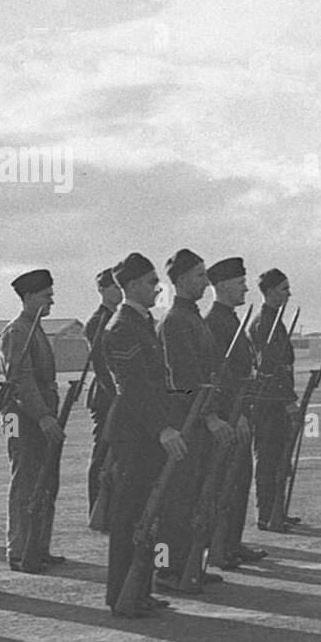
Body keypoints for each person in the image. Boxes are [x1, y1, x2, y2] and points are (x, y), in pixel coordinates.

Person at [101, 253, 186, 616]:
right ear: (133, 285)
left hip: (145, 432)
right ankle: (122, 594)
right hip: (134, 435)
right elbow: (134, 387)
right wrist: (162, 427)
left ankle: (141, 590)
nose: (158, 288)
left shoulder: (141, 321)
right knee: (130, 516)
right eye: (152, 282)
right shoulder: (122, 326)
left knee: (148, 512)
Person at [153, 249, 234, 592]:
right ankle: (165, 570)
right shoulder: (175, 321)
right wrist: (210, 416)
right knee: (177, 502)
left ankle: (189, 564)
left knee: (195, 498)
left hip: (195, 423)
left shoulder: (192, 317)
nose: (205, 281)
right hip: (186, 423)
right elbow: (187, 380)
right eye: (200, 275)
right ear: (183, 279)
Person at [204, 256, 268, 566]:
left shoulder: (230, 319)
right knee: (226, 482)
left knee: (239, 480)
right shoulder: (216, 323)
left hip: (241, 410)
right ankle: (220, 545)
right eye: (240, 282)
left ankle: (232, 541)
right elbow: (221, 376)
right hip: (231, 415)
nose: (245, 288)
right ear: (222, 286)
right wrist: (235, 413)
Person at [0, 269, 64, 571]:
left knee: (45, 481)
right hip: (22, 417)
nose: (51, 301)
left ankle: (37, 547)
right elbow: (21, 380)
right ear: (28, 297)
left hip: (39, 414)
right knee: (26, 481)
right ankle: (20, 549)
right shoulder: (18, 331)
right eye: (45, 296)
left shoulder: (33, 328)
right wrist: (43, 416)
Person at [249, 268, 300, 532]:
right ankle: (266, 513)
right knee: (269, 457)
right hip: (269, 400)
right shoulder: (263, 323)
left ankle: (276, 510)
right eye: (283, 289)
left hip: (276, 398)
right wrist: (288, 400)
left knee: (280, 455)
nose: (288, 294)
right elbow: (270, 367)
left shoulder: (273, 320)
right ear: (269, 292)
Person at [84, 267, 121, 519]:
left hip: (117, 395)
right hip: (107, 398)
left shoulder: (116, 316)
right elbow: (102, 365)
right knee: (102, 453)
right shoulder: (98, 321)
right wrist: (117, 398)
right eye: (114, 287)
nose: (119, 291)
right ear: (102, 290)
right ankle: (97, 508)